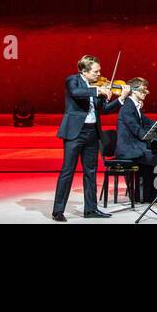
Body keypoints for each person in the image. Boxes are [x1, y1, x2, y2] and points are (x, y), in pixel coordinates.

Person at [52, 54, 121, 220]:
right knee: (67, 171)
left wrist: (121, 100)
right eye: (96, 71)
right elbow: (76, 93)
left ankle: (90, 209)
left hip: (92, 132)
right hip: (75, 132)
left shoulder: (98, 87)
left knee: (91, 172)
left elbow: (104, 110)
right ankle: (58, 210)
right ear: (84, 71)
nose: (99, 74)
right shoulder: (73, 80)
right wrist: (98, 90)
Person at [115, 78, 157, 202]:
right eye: (143, 89)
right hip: (130, 149)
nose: (146, 92)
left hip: (137, 146)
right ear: (134, 91)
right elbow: (137, 130)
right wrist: (155, 136)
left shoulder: (136, 107)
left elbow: (150, 124)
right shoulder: (127, 108)